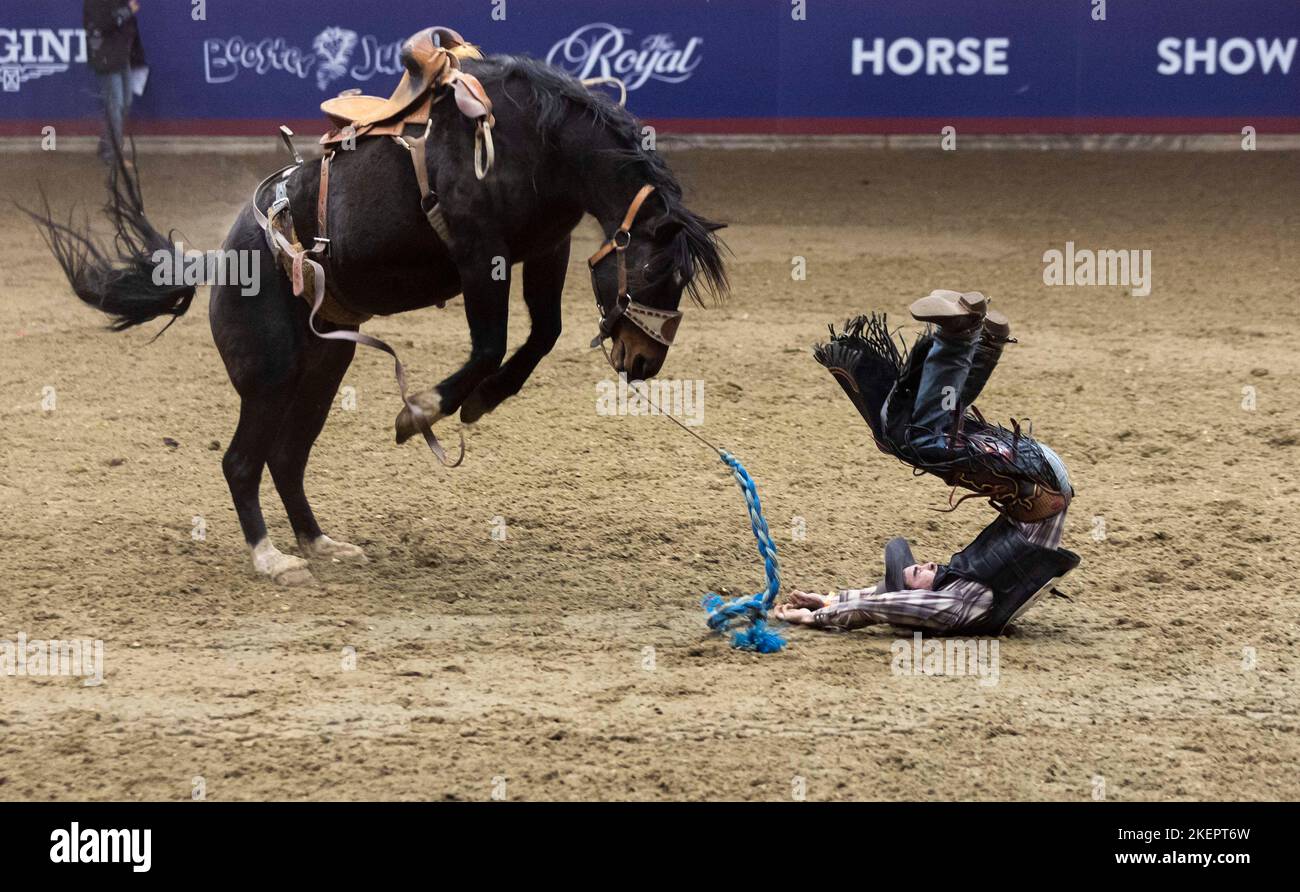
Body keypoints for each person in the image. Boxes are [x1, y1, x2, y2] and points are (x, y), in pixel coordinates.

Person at [778, 290, 1079, 635]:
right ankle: (961, 338)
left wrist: (831, 600)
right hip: (1034, 480)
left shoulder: (958, 596)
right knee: (916, 441)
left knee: (908, 435)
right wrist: (817, 618)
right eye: (916, 573)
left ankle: (981, 342)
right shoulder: (953, 607)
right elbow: (884, 606)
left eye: (915, 567)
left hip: (1032, 473)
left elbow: (884, 599)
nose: (925, 564)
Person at [84, 0, 144, 164]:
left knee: (125, 102)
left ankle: (106, 145)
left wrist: (136, 54)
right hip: (105, 57)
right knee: (115, 105)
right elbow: (101, 24)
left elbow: (130, 28)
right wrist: (127, 11)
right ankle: (112, 154)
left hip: (121, 56)